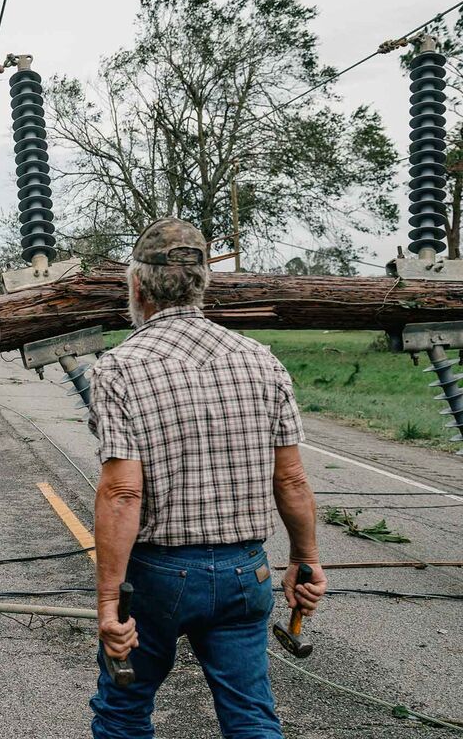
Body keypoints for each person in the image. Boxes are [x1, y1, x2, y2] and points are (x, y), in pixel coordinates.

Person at [87, 218, 328, 738]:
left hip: (158, 576)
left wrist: (108, 602)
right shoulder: (262, 361)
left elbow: (123, 492)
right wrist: (305, 561)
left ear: (138, 286)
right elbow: (291, 481)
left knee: (124, 712)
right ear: (202, 283)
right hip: (246, 573)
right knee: (251, 715)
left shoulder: (119, 368)